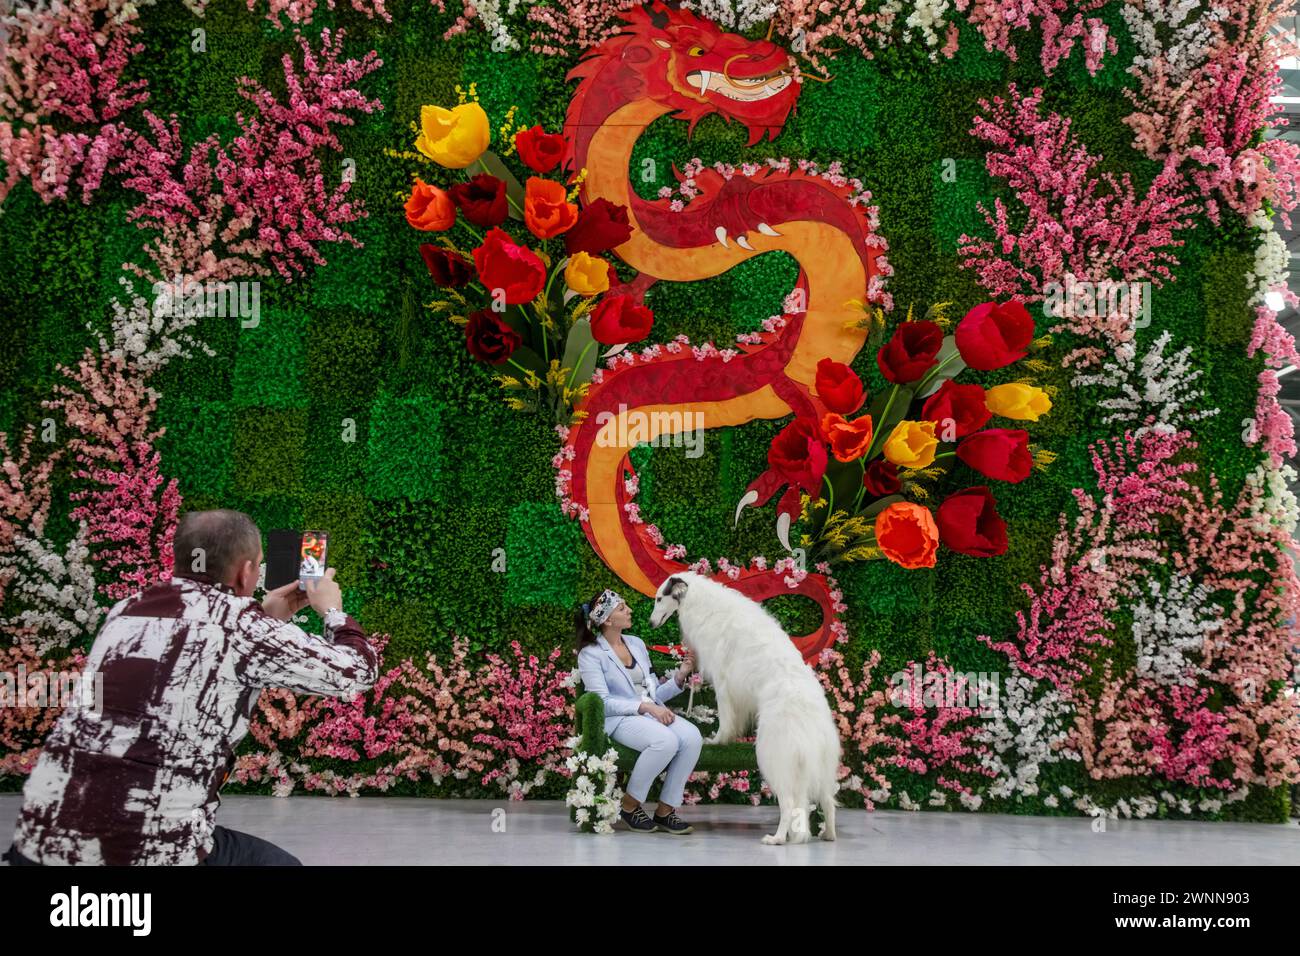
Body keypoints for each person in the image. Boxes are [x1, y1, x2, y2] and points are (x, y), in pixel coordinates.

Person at [1, 509, 379, 866]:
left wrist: (265, 617)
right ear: (247, 571)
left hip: (41, 840)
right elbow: (358, 671)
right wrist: (332, 610)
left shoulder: (125, 611)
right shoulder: (243, 627)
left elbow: (194, 651)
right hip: (147, 848)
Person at [575, 588, 701, 834]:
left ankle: (665, 812)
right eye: (622, 608)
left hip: (648, 713)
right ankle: (630, 805)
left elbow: (651, 693)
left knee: (692, 738)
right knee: (665, 741)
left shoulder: (636, 644)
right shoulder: (591, 654)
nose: (629, 610)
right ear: (607, 620)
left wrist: (681, 675)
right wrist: (643, 707)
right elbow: (601, 701)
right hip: (619, 719)